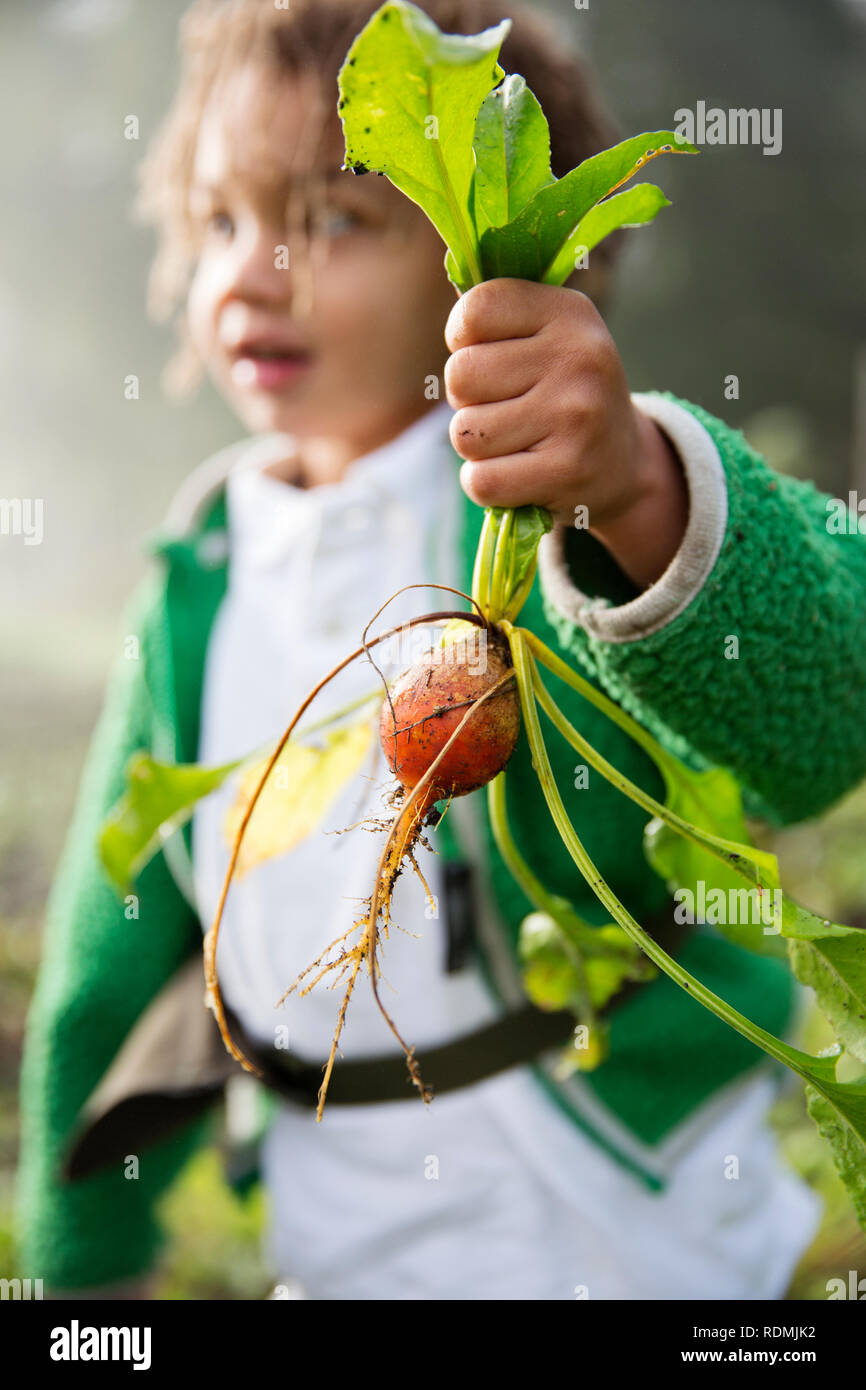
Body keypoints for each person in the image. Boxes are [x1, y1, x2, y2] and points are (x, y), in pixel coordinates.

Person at [17, 0, 865, 1300]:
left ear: (491, 277)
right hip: (337, 1232)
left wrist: (635, 487)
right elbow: (105, 963)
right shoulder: (196, 583)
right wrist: (85, 1271)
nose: (255, 270)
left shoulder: (561, 512)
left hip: (633, 1237)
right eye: (223, 221)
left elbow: (814, 731)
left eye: (334, 220)